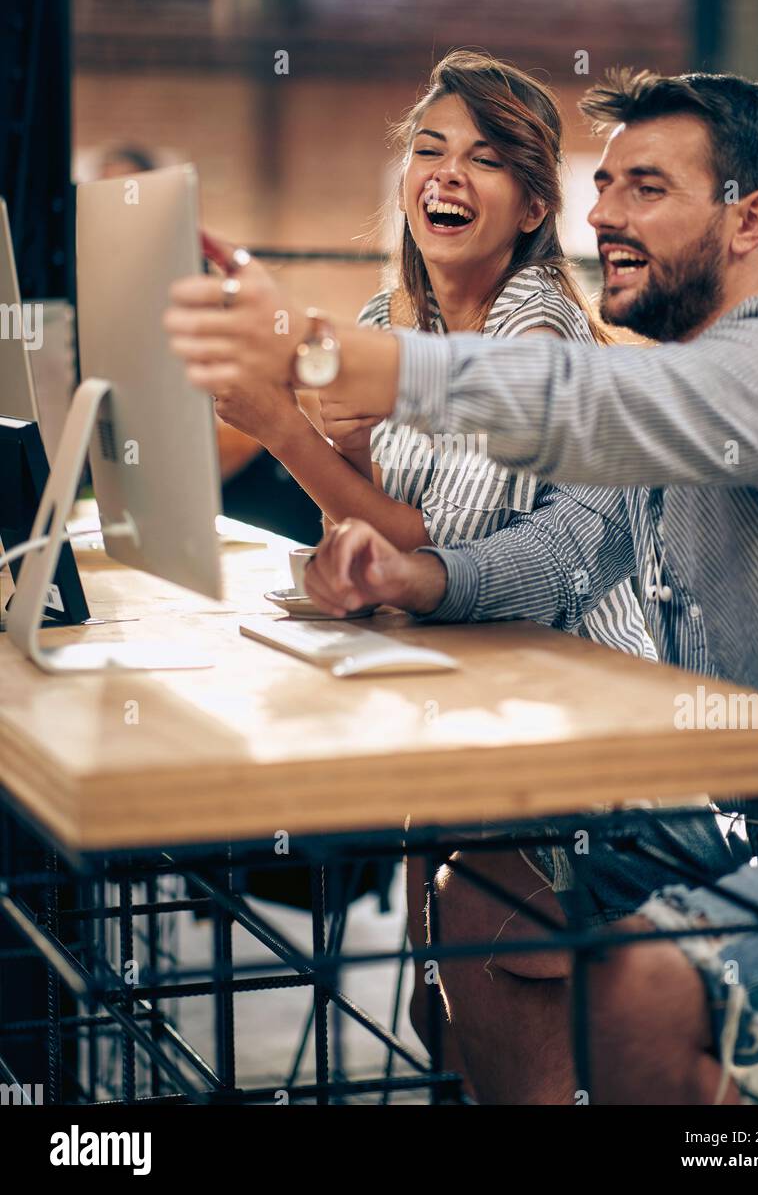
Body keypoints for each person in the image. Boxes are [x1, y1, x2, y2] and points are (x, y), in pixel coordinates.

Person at [165, 66, 758, 1104]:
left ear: (746, 220)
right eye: (605, 183)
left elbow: (570, 401)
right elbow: (573, 541)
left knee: (640, 984)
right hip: (725, 813)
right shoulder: (675, 381)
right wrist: (419, 572)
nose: (601, 213)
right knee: (482, 885)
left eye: (645, 189)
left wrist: (312, 358)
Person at [186, 50, 657, 1020]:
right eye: (428, 148)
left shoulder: (538, 335)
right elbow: (369, 534)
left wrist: (282, 427)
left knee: (498, 1001)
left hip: (562, 709)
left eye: (482, 160)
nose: (443, 173)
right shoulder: (384, 319)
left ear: (532, 208)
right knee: (433, 1005)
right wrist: (333, 456)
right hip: (460, 691)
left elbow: (434, 547)